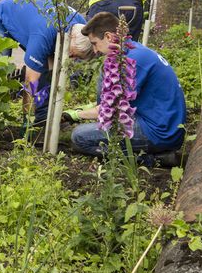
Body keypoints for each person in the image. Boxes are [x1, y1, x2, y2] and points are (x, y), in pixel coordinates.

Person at [67, 12, 186, 164]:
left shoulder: (132, 60)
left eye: (95, 43)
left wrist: (77, 115)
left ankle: (155, 159)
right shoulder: (135, 50)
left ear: (109, 37)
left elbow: (112, 109)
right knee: (105, 72)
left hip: (160, 132)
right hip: (160, 121)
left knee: (79, 137)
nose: (95, 50)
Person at [0, 0, 94, 124]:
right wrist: (27, 119)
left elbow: (52, 71)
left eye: (76, 57)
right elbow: (30, 80)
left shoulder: (81, 26)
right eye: (72, 53)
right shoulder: (43, 35)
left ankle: (42, 117)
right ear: (70, 37)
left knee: (46, 73)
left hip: (39, 24)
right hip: (2, 16)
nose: (71, 57)